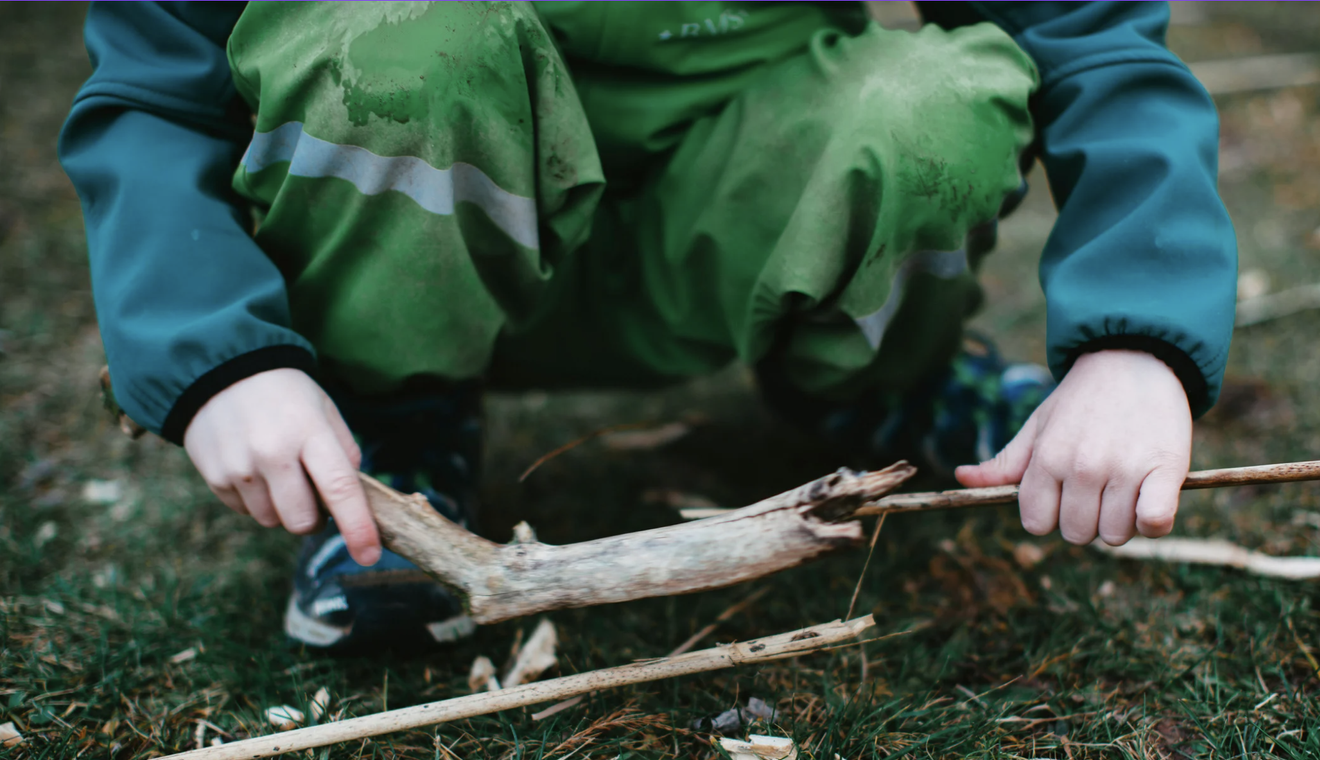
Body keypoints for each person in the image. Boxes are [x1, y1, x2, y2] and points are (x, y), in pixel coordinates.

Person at [60, 2, 1236, 653]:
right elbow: (158, 91)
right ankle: (393, 431)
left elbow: (1094, 42)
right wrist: (222, 357)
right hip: (418, 226)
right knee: (392, 42)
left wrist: (1138, 337)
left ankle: (880, 380)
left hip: (743, 219)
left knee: (927, 108)